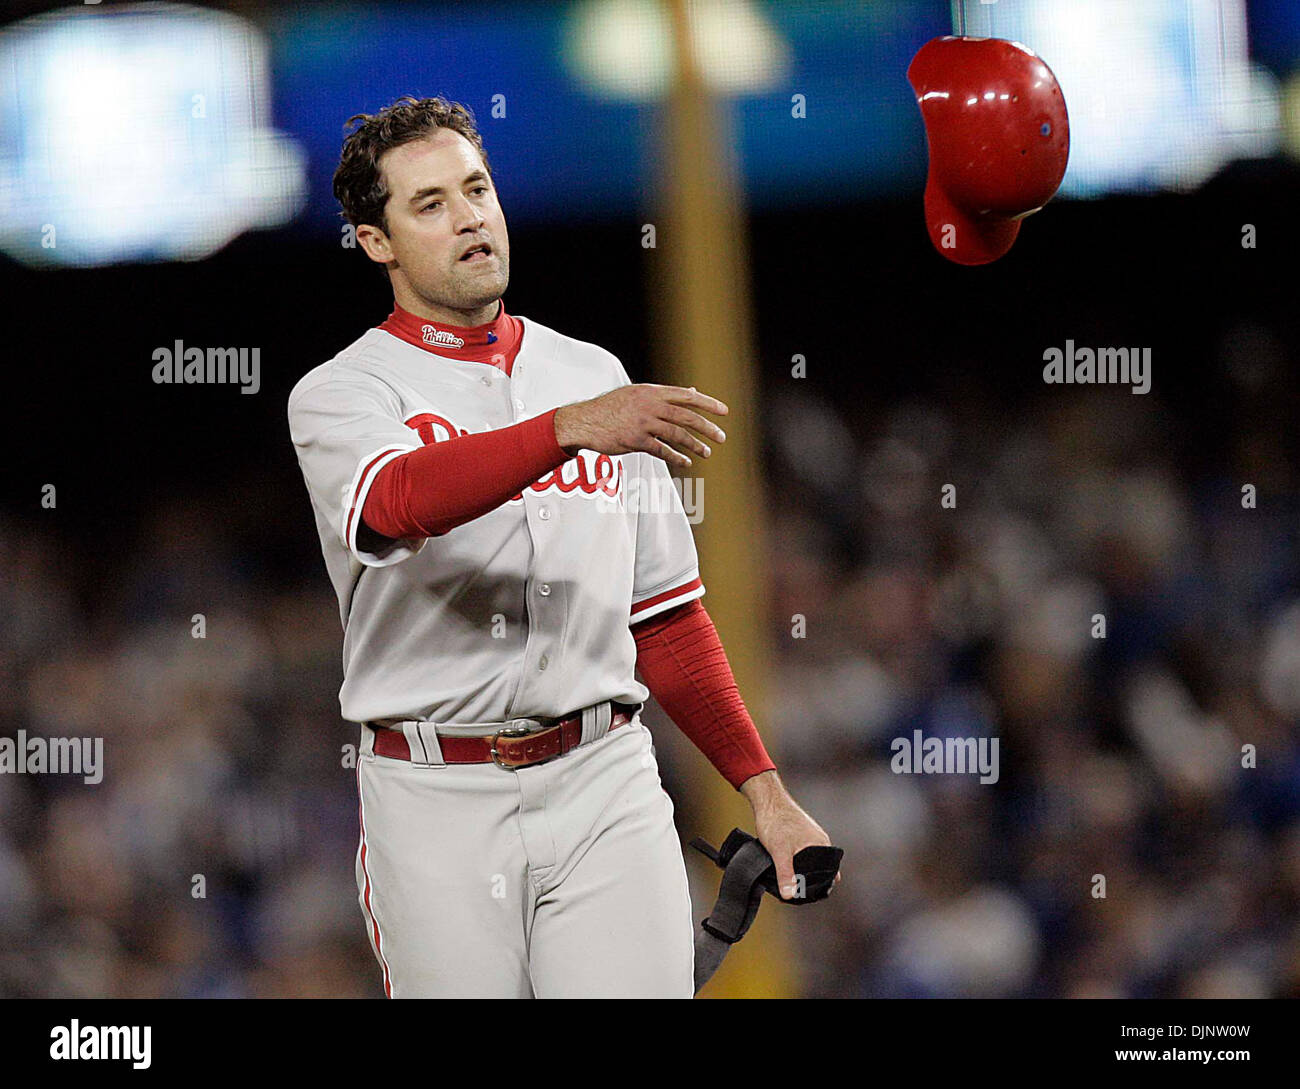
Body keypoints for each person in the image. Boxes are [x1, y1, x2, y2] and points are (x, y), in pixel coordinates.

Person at [288, 96, 833, 997]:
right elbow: (394, 501)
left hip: (603, 776)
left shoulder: (591, 375)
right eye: (428, 203)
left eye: (477, 188)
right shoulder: (343, 391)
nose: (468, 216)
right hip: (436, 794)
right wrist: (567, 430)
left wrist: (765, 794)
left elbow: (665, 616)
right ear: (374, 241)